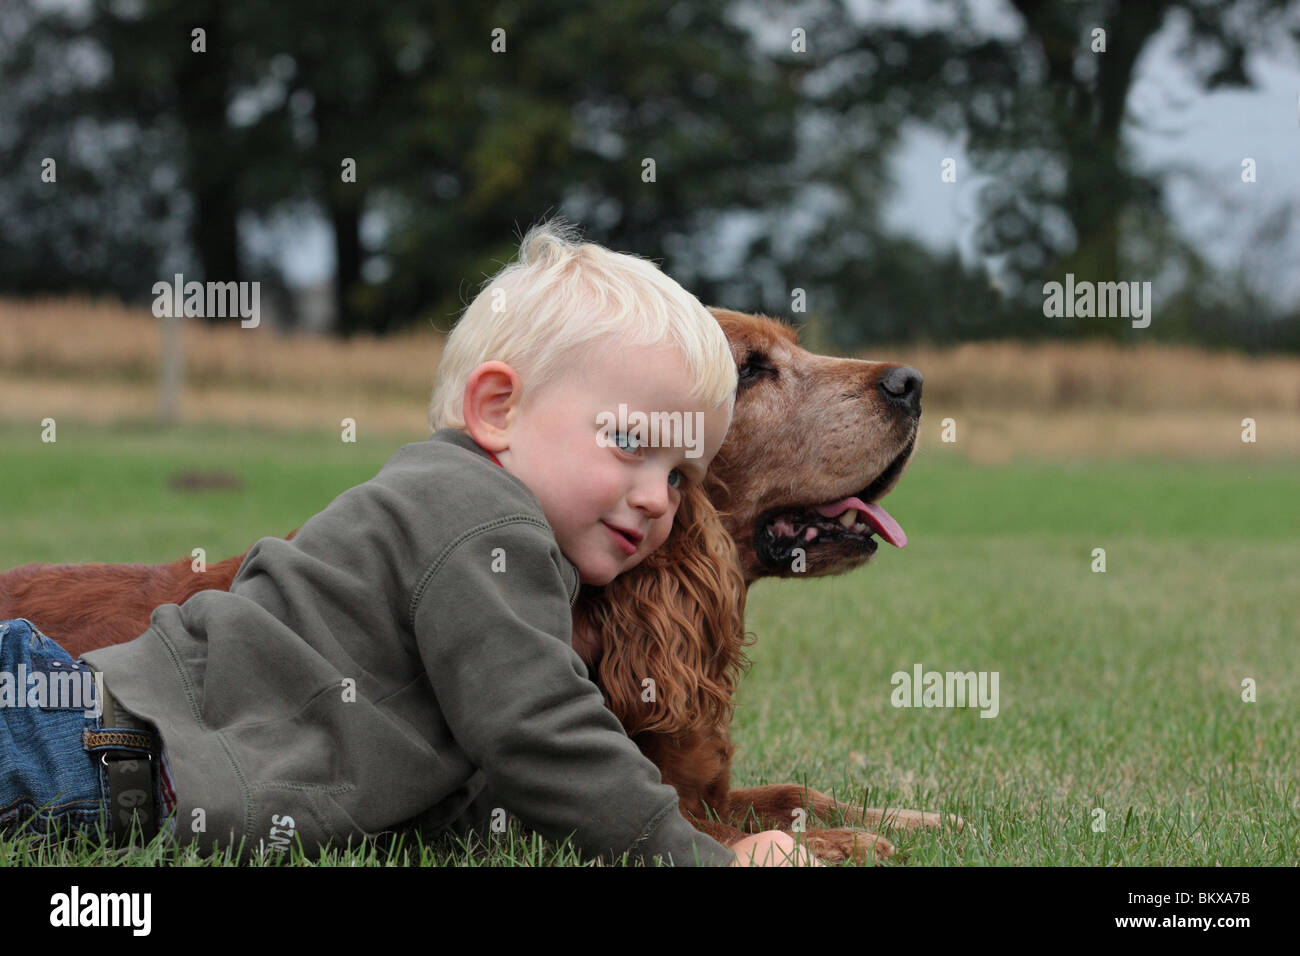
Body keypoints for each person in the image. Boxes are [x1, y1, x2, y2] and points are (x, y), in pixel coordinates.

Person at [0, 219, 816, 867]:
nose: (655, 496)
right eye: (633, 444)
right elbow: (538, 730)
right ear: (497, 408)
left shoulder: (451, 508)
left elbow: (441, 772)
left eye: (680, 476)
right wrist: (706, 857)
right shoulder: (482, 520)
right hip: (85, 746)